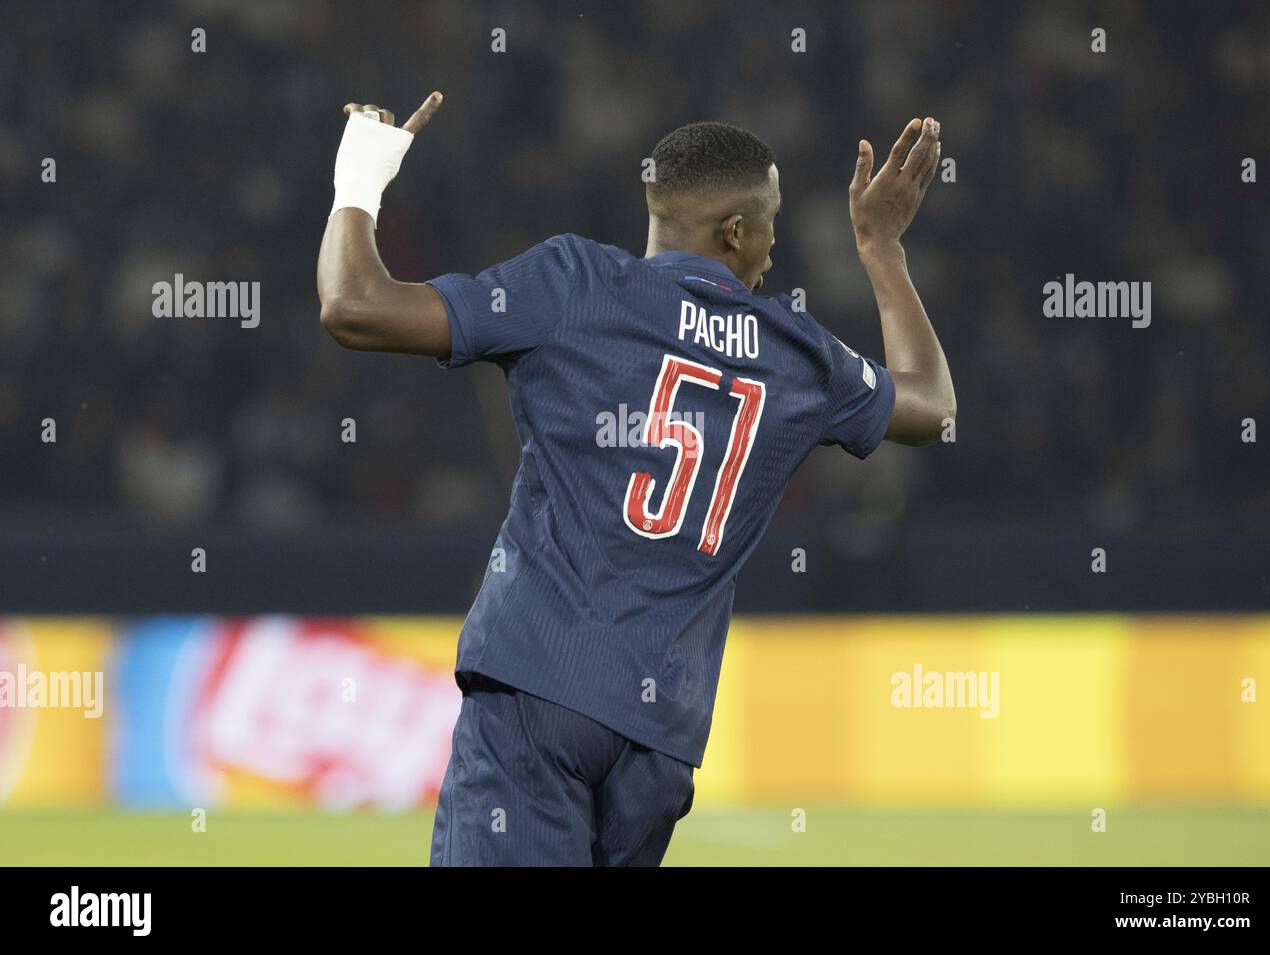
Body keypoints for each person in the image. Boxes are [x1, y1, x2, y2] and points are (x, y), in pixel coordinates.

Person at [317, 92, 955, 865]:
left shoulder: (572, 283)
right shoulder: (797, 353)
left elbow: (353, 306)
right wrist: (881, 247)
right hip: (657, 740)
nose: (775, 245)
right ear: (736, 231)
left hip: (536, 687)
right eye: (773, 222)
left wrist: (360, 177)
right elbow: (929, 406)